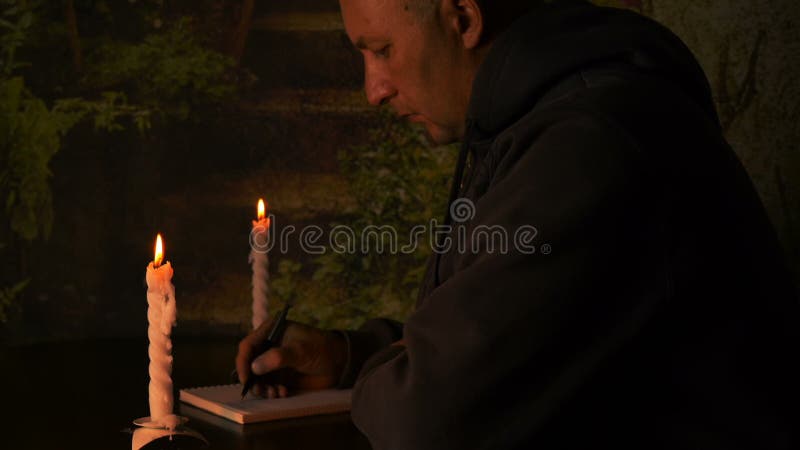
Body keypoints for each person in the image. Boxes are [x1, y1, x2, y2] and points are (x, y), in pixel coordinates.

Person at [237, 0, 800, 448]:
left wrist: (402, 372)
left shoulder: (591, 143)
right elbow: (521, 339)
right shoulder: (540, 118)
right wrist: (350, 356)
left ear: (463, 17)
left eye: (382, 50)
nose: (374, 90)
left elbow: (425, 421)